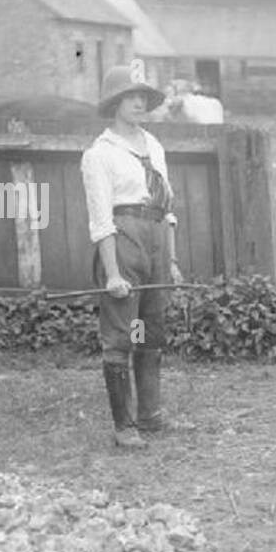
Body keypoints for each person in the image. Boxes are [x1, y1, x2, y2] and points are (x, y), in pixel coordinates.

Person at [80, 65, 190, 449]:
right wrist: (112, 273)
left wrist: (171, 260)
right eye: (131, 96)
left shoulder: (154, 146)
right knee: (121, 333)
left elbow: (168, 207)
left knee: (151, 328)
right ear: (114, 103)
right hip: (124, 240)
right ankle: (124, 425)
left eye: (143, 96)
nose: (140, 102)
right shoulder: (100, 154)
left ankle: (150, 415)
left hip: (157, 237)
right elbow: (100, 221)